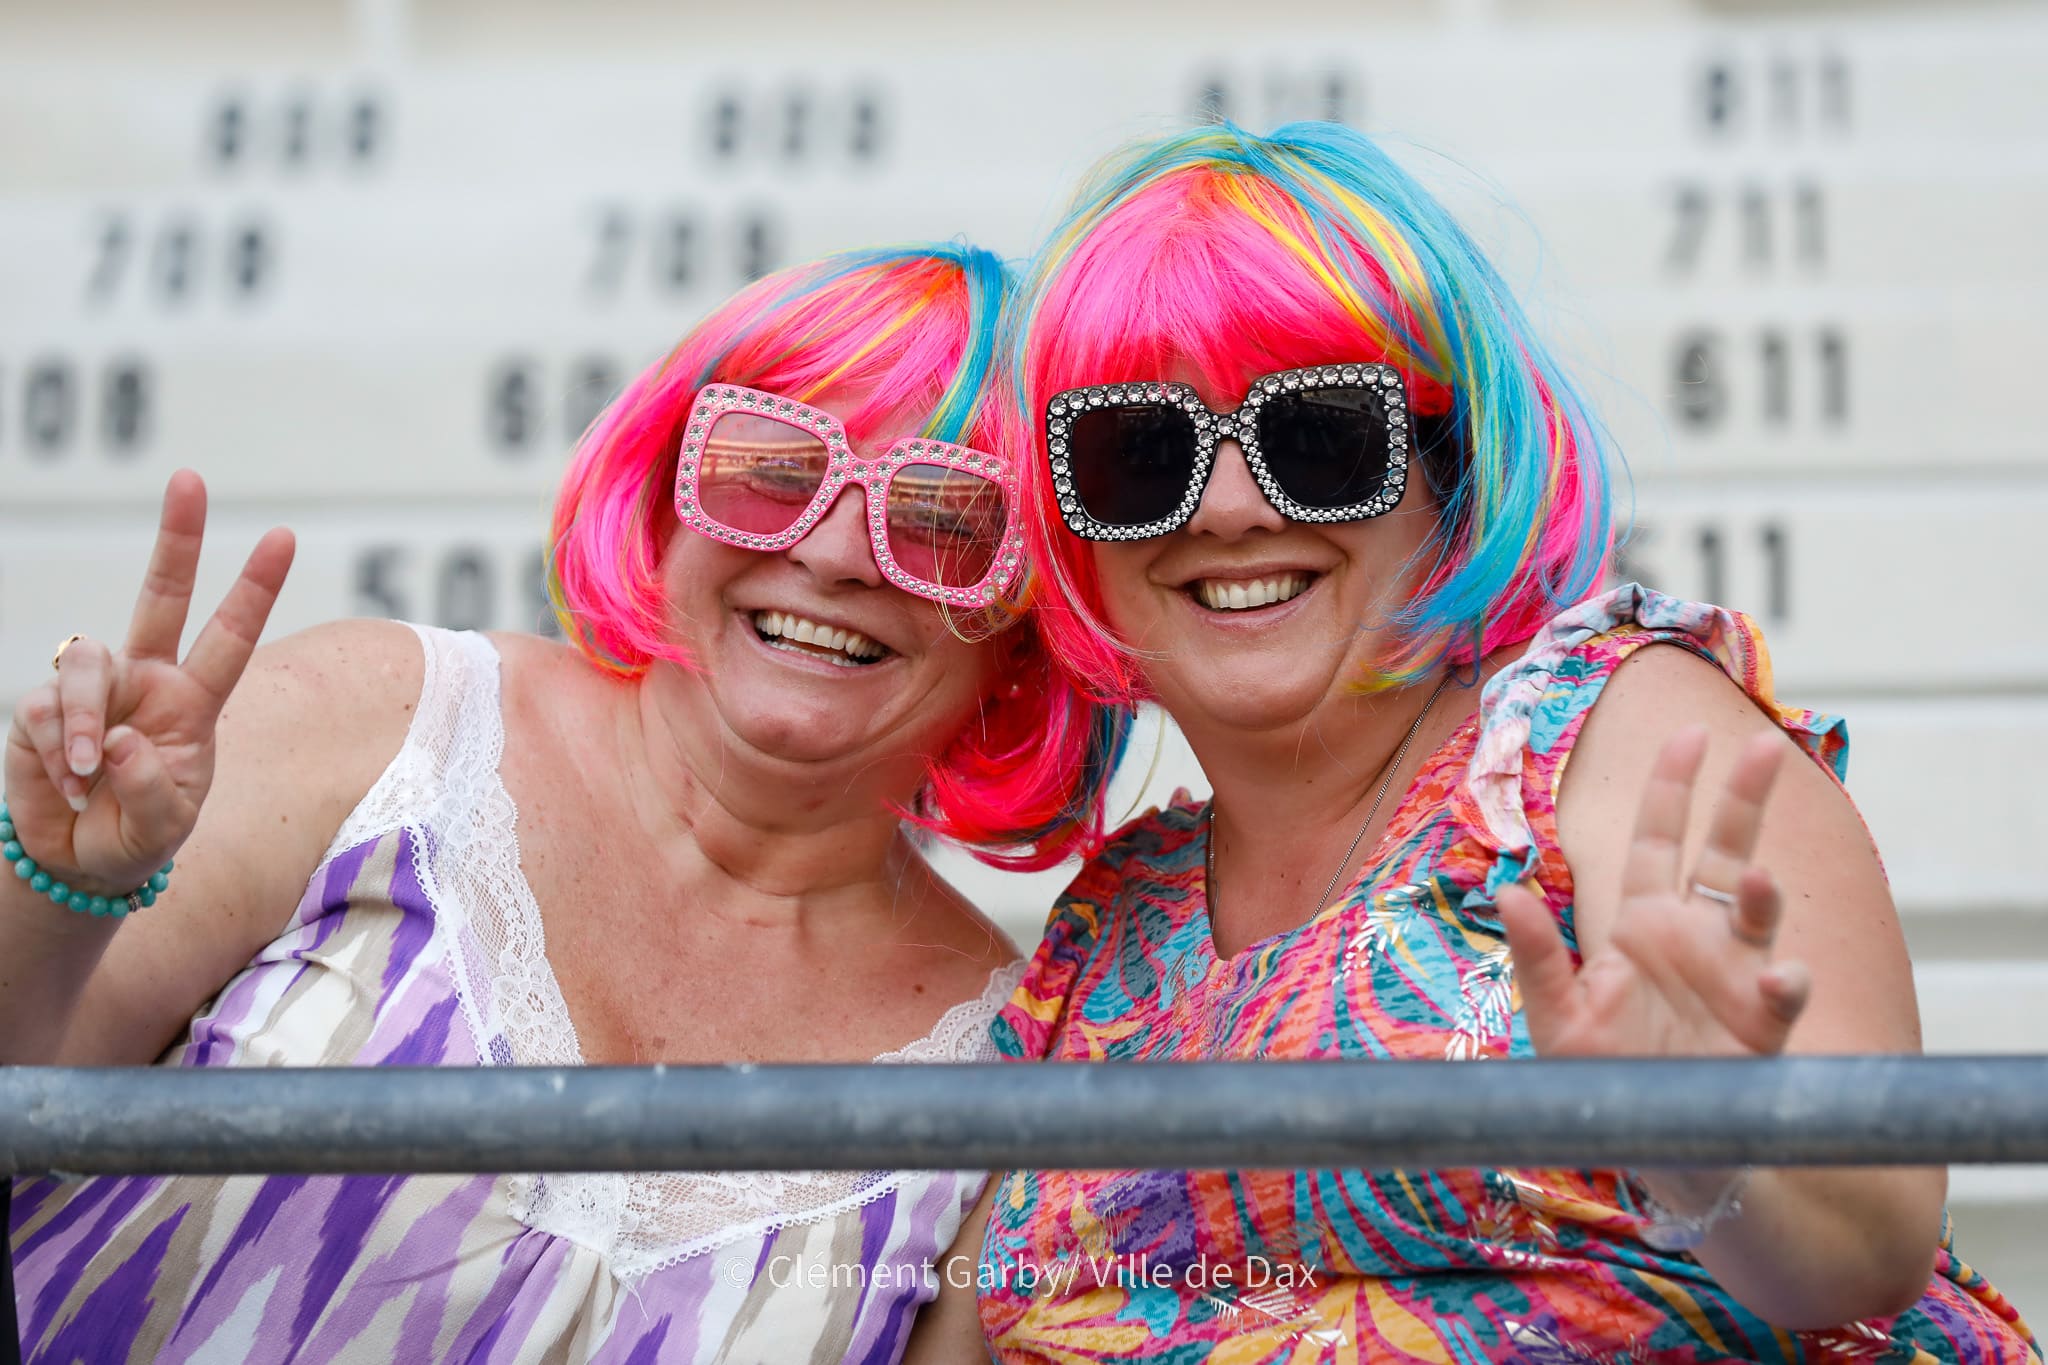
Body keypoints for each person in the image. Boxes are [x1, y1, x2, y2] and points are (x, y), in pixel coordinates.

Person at [938, 124, 2040, 1361]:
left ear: (1450, 474)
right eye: (1138, 454)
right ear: (1068, 527)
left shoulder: (1614, 736)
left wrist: (1705, 1151)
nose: (1229, 506)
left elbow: (1866, 1246)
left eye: (1319, 438)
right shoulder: (1109, 927)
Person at [2, 243, 1120, 1363]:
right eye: (772, 468)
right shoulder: (383, 719)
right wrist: (55, 886)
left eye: (942, 518)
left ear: (1031, 633)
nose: (833, 554)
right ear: (665, 496)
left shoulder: (1006, 1077)